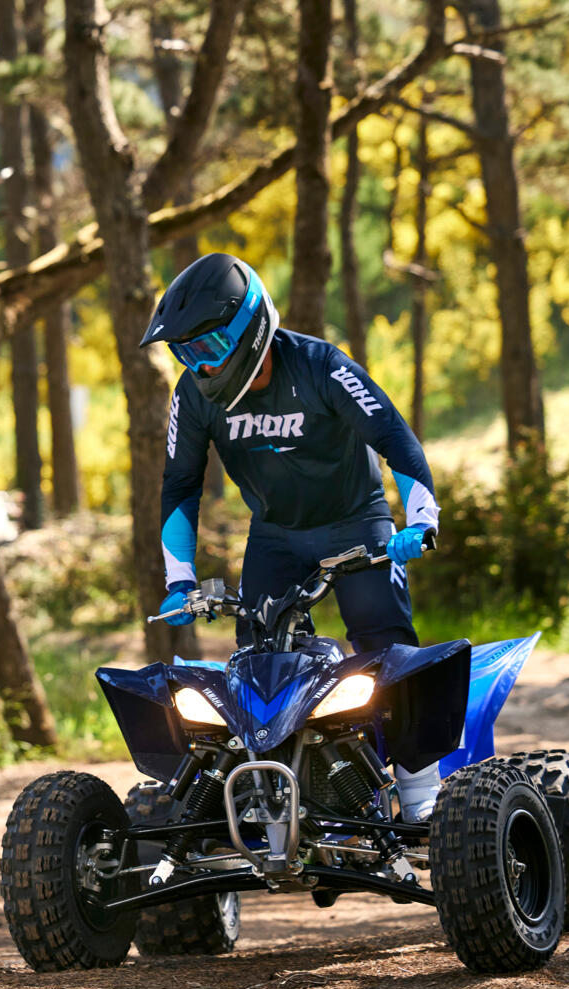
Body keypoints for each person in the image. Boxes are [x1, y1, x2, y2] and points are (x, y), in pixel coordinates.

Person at [141, 253, 446, 817]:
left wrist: (420, 520)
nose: (199, 367)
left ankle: (420, 794)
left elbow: (396, 440)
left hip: (358, 523)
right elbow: (179, 485)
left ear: (250, 329)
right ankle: (267, 791)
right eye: (184, 353)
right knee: (254, 660)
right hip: (276, 535)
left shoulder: (321, 366)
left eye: (206, 349)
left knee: (387, 647)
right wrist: (180, 580)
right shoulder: (193, 395)